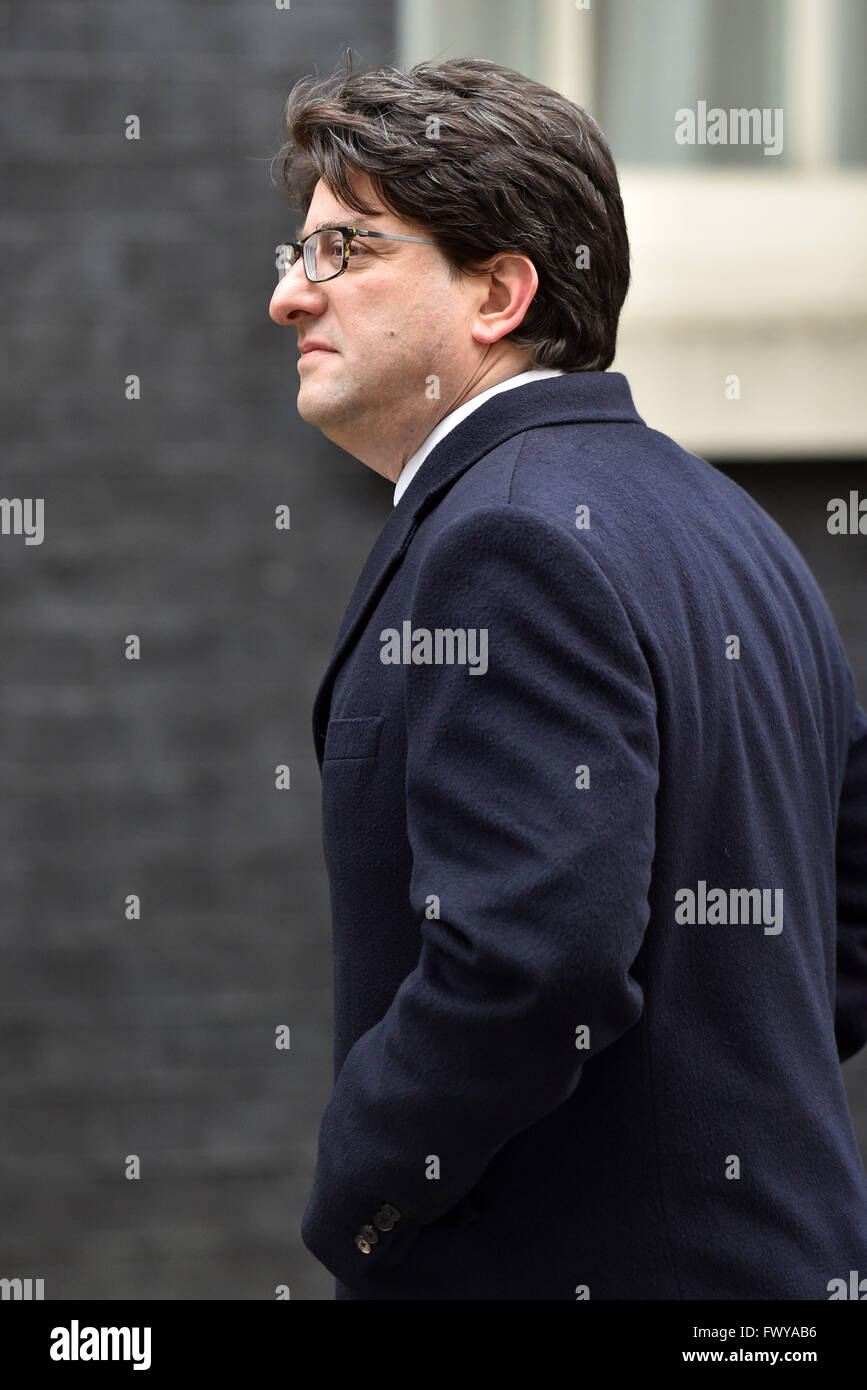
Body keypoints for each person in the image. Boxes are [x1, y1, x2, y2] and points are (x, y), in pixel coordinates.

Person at [268, 55, 867, 1300]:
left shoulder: (507, 540)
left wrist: (360, 1193)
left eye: (343, 252)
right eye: (295, 252)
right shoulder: (740, 533)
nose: (289, 295)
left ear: (498, 291)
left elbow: (529, 965)